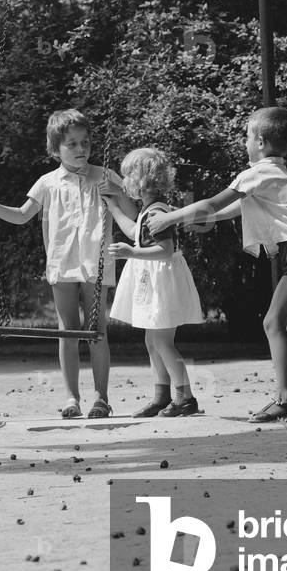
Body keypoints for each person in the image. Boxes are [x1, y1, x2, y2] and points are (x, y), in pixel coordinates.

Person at [146, 107, 287, 423]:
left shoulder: (256, 172)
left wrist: (170, 218)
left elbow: (211, 203)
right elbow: (229, 210)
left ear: (260, 142)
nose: (244, 142)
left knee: (272, 323)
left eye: (246, 136)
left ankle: (285, 398)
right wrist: (187, 217)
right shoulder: (275, 173)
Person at [0, 109, 137, 419]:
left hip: (95, 261)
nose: (80, 149)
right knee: (67, 330)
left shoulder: (105, 176)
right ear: (55, 149)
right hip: (62, 262)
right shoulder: (47, 183)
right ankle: (72, 397)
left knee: (96, 329)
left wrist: (117, 191)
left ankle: (101, 398)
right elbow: (22, 215)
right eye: (71, 144)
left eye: (85, 142)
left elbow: (130, 213)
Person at [103, 147, 203, 417]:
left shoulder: (157, 211)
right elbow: (135, 231)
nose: (125, 182)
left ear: (142, 180)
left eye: (128, 176)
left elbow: (166, 250)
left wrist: (131, 253)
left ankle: (185, 398)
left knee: (163, 342)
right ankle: (162, 396)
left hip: (163, 283)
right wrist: (114, 207)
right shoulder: (149, 209)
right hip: (155, 281)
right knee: (152, 341)